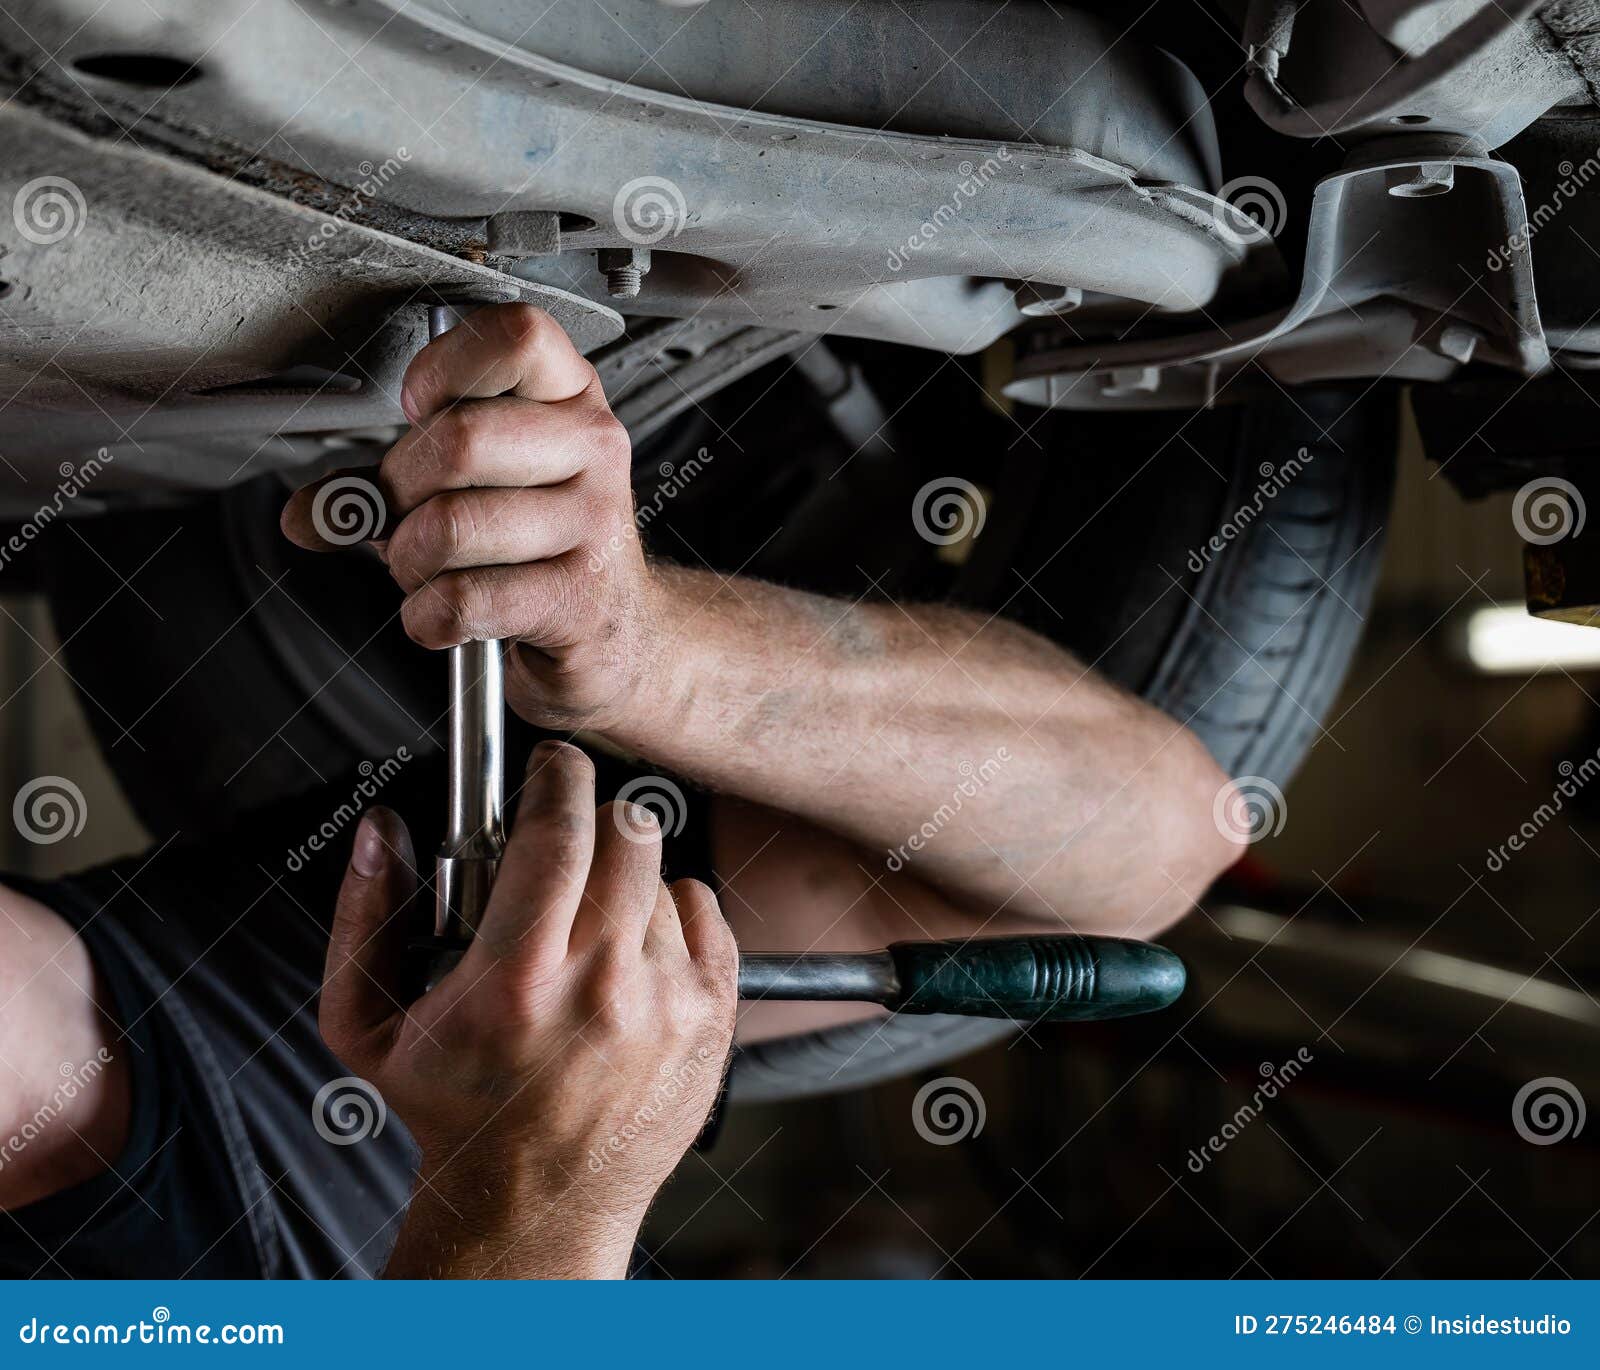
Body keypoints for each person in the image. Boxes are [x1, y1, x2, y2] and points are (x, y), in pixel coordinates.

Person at [0, 305, 1242, 1278]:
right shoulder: (471, 1044)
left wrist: (531, 1186)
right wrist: (645, 654)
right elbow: (1156, 837)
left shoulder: (108, 1144)